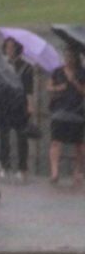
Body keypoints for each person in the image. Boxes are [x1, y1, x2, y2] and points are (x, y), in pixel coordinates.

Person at [47, 42, 85, 186]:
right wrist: (59, 87)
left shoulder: (82, 72)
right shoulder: (57, 71)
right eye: (66, 56)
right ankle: (55, 172)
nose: (68, 59)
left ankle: (77, 171)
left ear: (76, 58)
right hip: (59, 111)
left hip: (77, 112)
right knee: (56, 141)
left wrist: (74, 82)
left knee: (79, 145)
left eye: (71, 57)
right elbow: (49, 87)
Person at [0, 38, 35, 183]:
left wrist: (30, 104)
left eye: (12, 47)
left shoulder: (26, 67)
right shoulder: (2, 65)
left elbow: (29, 89)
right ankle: (4, 166)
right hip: (5, 104)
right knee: (4, 137)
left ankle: (22, 168)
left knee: (22, 138)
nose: (9, 50)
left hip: (20, 105)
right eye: (7, 47)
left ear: (17, 49)